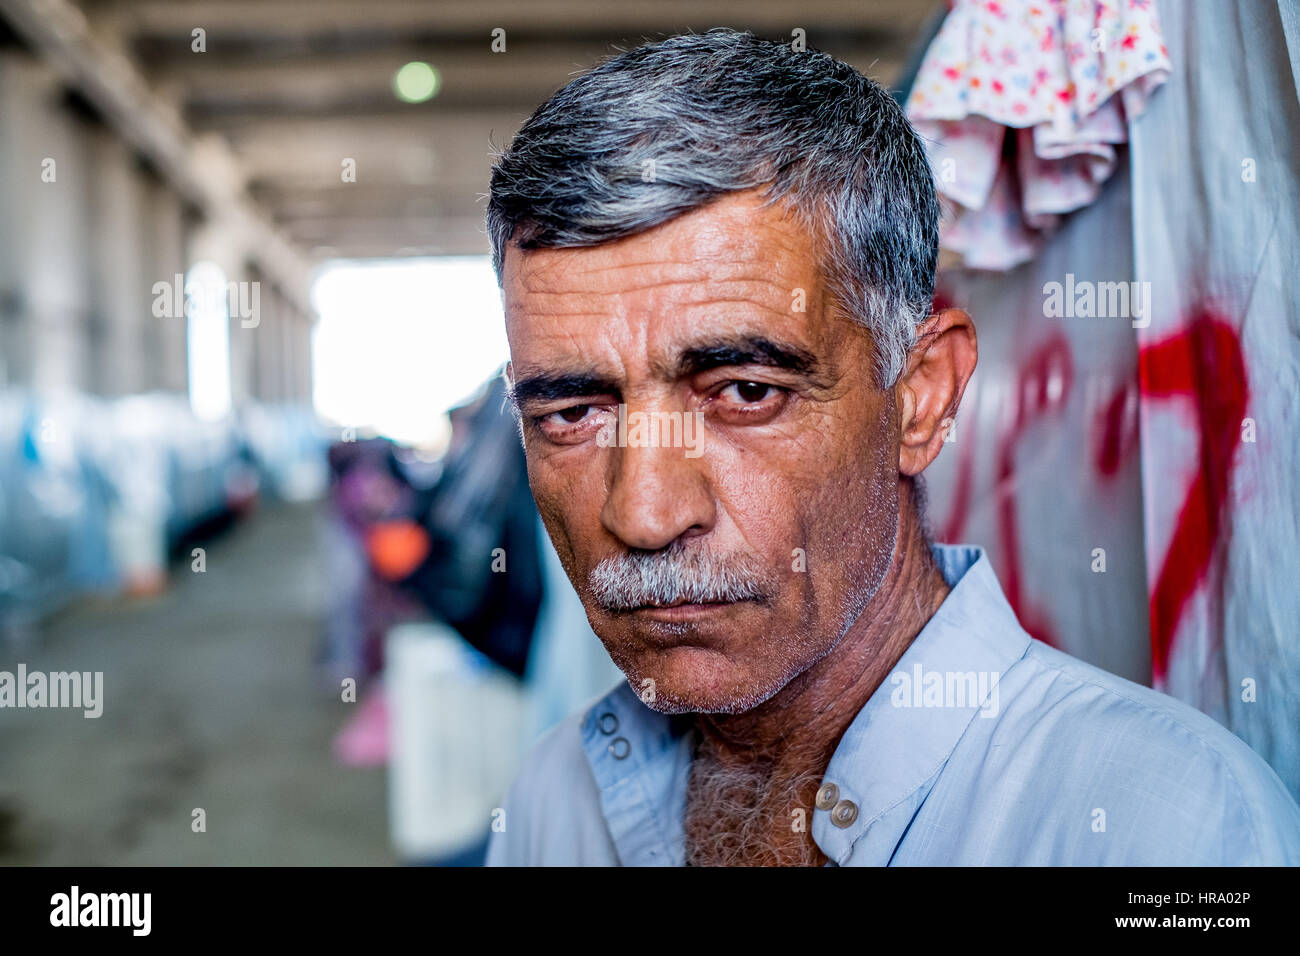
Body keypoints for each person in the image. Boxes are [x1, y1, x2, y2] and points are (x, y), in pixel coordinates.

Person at [482, 30, 1300, 866]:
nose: (645, 514)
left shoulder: (1169, 828)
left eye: (746, 392)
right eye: (573, 413)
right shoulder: (556, 797)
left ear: (921, 397)